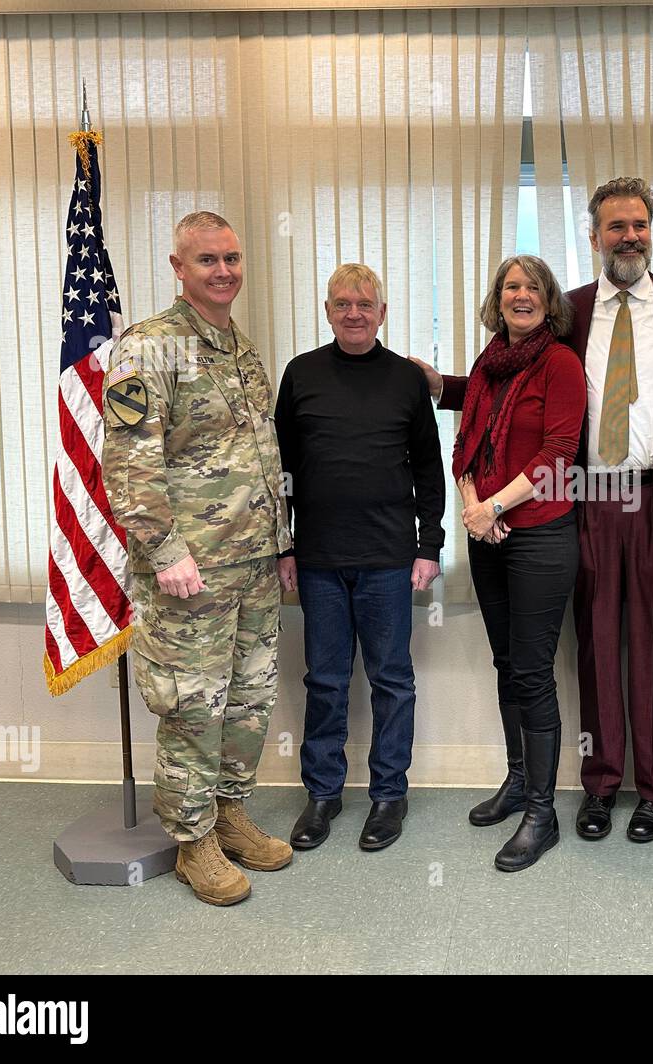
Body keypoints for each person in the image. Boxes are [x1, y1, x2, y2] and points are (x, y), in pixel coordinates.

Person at [416, 177, 653, 845]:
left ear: (651, 230)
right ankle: (601, 786)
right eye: (615, 226)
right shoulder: (566, 312)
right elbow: (507, 382)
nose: (628, 235)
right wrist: (437, 385)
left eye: (638, 224)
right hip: (587, 499)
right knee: (597, 645)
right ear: (594, 235)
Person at [102, 211, 295, 906]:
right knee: (194, 707)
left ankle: (231, 812)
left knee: (248, 700)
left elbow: (261, 459)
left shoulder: (240, 347)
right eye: (208, 260)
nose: (224, 271)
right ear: (179, 267)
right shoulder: (147, 348)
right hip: (189, 575)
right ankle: (192, 842)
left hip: (252, 566)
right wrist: (165, 552)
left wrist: (281, 546)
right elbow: (128, 463)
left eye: (233, 259)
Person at [274, 265, 444, 854]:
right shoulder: (301, 375)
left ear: (382, 311)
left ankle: (389, 794)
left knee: (391, 679)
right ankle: (322, 794)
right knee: (324, 679)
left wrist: (430, 546)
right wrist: (285, 545)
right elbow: (283, 472)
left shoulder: (405, 381)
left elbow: (428, 468)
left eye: (364, 303)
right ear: (327, 311)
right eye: (343, 303)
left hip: (389, 560)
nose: (354, 312)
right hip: (319, 561)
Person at [453, 255, 586, 871]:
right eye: (511, 286)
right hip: (489, 531)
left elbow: (560, 453)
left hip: (540, 534)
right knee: (506, 662)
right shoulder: (487, 364)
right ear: (497, 298)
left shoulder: (559, 362)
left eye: (533, 287)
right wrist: (473, 505)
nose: (522, 295)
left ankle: (543, 810)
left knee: (532, 671)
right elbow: (466, 446)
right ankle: (515, 781)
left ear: (548, 299)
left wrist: (494, 505)